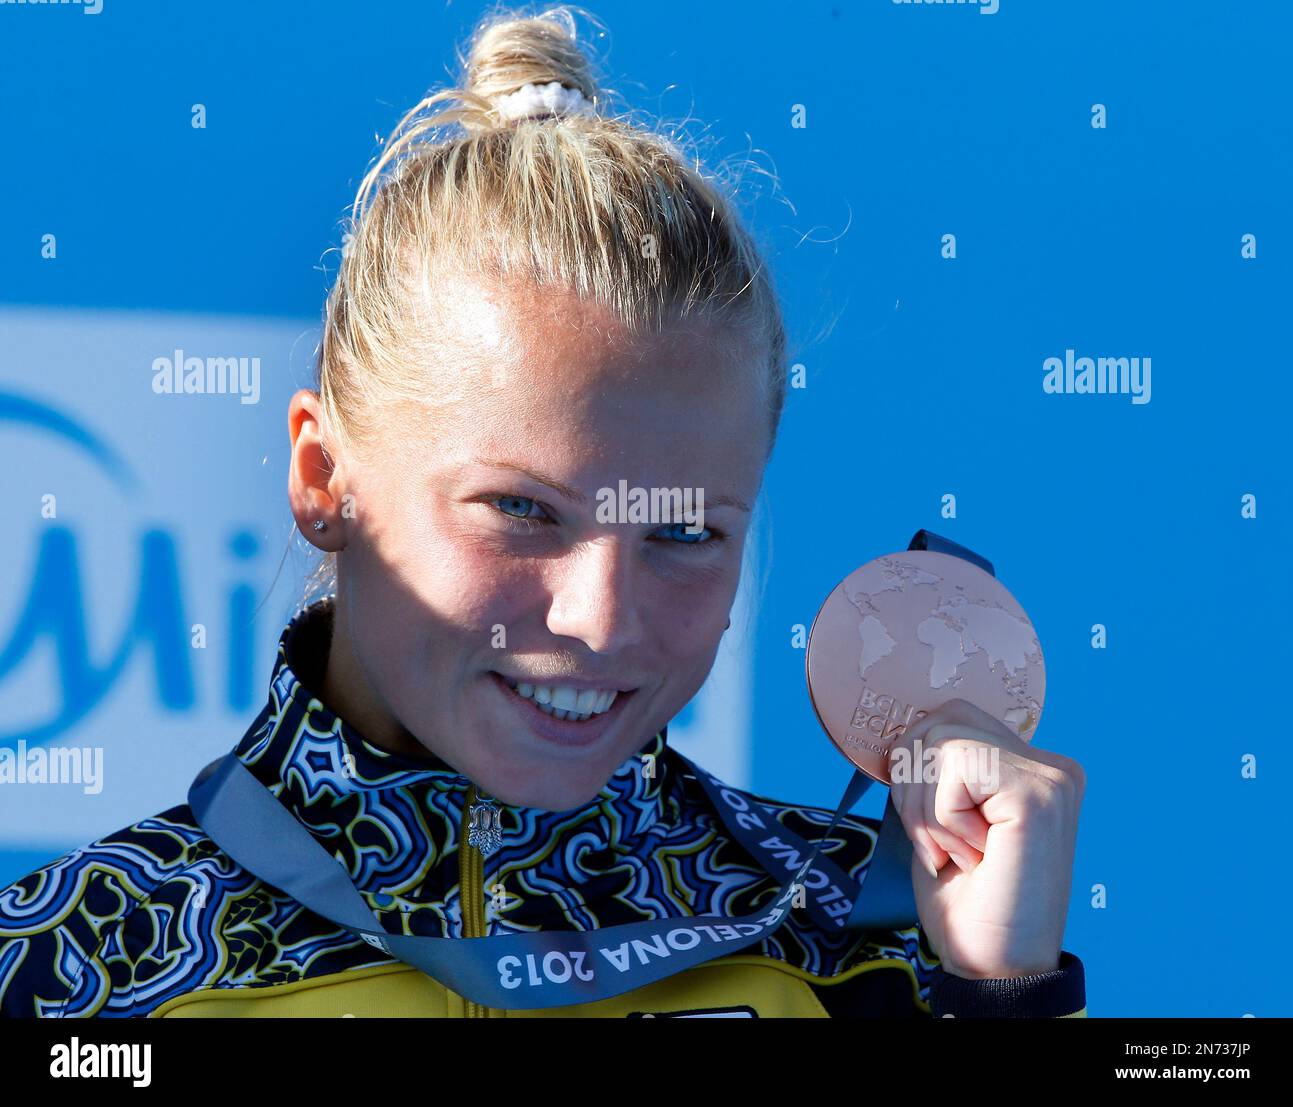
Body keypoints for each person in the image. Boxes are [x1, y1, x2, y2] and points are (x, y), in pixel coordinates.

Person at [0, 5, 1086, 1018]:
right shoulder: (67, 969)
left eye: (682, 532)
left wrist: (994, 996)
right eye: (522, 510)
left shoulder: (862, 940)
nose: (602, 621)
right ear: (326, 478)